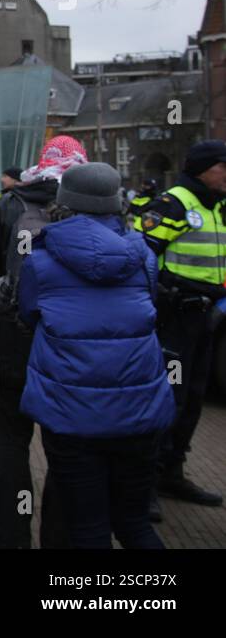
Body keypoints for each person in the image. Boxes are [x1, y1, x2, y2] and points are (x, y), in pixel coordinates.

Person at [19, 162, 175, 548]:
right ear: (116, 202)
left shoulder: (38, 260)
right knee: (135, 525)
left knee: (87, 529)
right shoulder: (145, 257)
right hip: (140, 410)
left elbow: (28, 315)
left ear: (64, 202)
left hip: (72, 412)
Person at [0, 134, 88, 548]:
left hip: (15, 342)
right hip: (71, 349)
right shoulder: (94, 207)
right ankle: (58, 538)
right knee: (64, 451)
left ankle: (11, 540)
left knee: (13, 446)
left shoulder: (9, 204)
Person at [138, 140, 226, 511]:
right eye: (224, 166)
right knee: (167, 397)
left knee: (192, 396)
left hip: (206, 316)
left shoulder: (218, 206)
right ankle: (145, 482)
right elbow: (142, 258)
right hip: (176, 318)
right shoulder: (173, 204)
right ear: (205, 168)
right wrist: (168, 295)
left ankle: (172, 473)